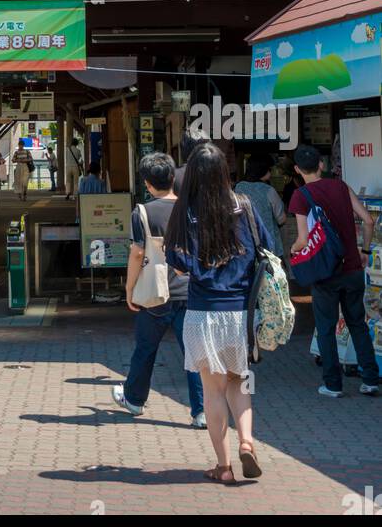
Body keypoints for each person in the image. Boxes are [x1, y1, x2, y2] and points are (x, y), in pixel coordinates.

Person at [165, 142, 274, 485]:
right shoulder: (244, 205)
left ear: (192, 173)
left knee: (212, 390)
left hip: (202, 311)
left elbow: (178, 262)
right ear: (224, 172)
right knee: (239, 382)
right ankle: (246, 441)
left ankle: (224, 467)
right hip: (240, 311)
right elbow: (266, 247)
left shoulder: (186, 210)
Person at [112, 152, 206, 428]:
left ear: (148, 183)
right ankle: (201, 411)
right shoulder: (190, 210)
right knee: (193, 353)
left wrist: (129, 289)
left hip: (155, 294)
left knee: (145, 348)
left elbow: (137, 253)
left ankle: (134, 400)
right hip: (189, 290)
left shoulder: (142, 212)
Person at [289, 143, 380, 398]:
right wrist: (364, 251)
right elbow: (369, 220)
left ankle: (333, 384)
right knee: (357, 323)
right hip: (352, 267)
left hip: (325, 272)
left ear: (297, 169)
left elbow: (303, 240)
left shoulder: (300, 196)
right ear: (321, 164)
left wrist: (292, 251)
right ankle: (371, 379)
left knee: (326, 327)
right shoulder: (341, 186)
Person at [235, 156, 287, 258]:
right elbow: (281, 219)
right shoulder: (268, 190)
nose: (271, 172)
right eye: (269, 169)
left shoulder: (238, 187)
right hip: (268, 246)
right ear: (263, 170)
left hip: (244, 243)